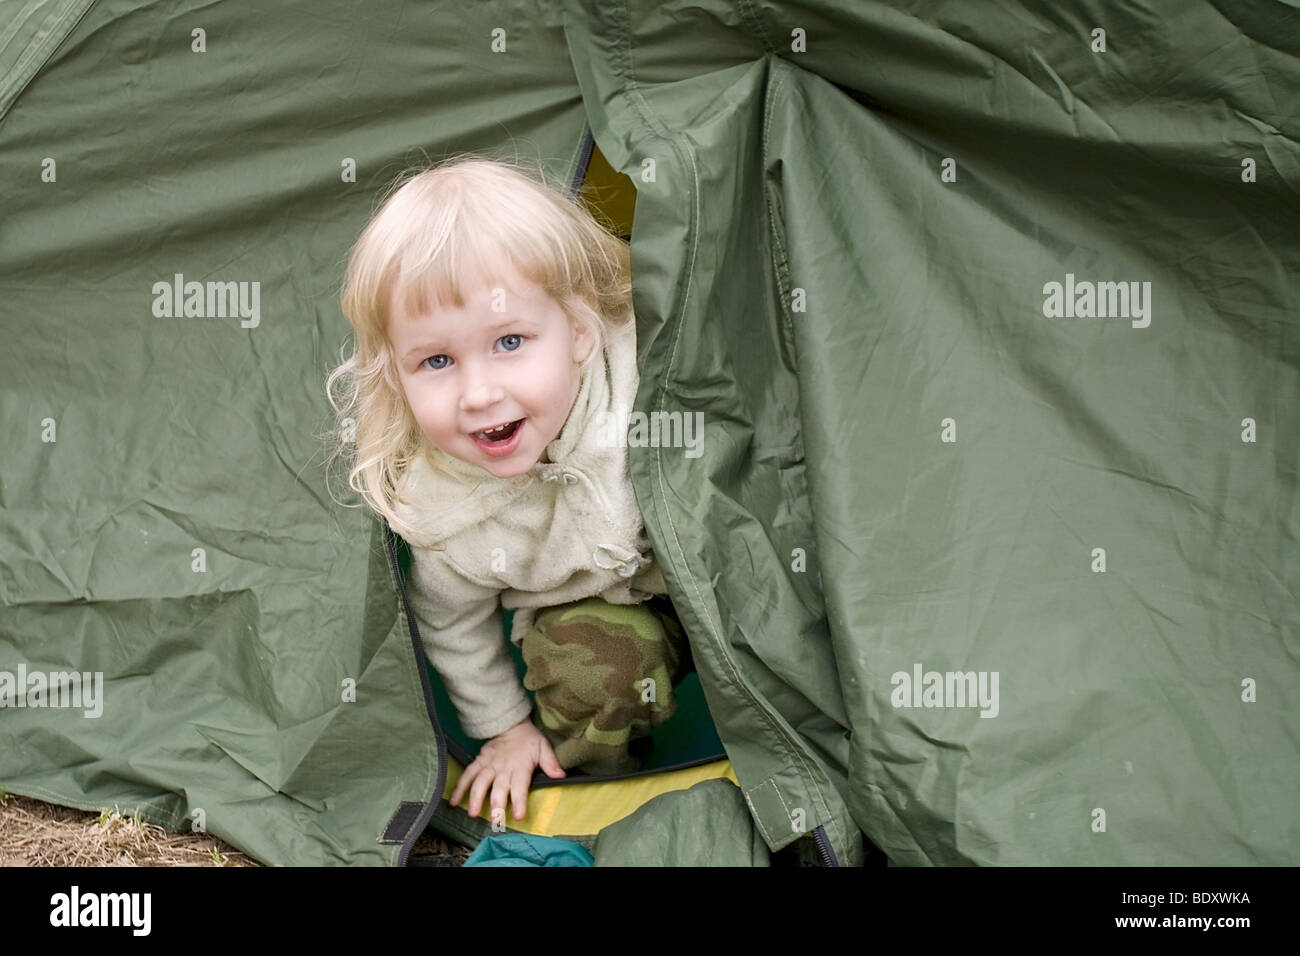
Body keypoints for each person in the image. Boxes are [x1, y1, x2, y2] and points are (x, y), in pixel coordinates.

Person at [325, 155, 690, 830]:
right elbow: (450, 624)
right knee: (597, 665)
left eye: (511, 341)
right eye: (437, 360)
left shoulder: (651, 375)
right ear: (396, 376)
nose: (479, 392)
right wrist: (504, 728)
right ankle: (602, 794)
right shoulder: (442, 506)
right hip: (610, 618)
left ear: (579, 332)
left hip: (717, 584)